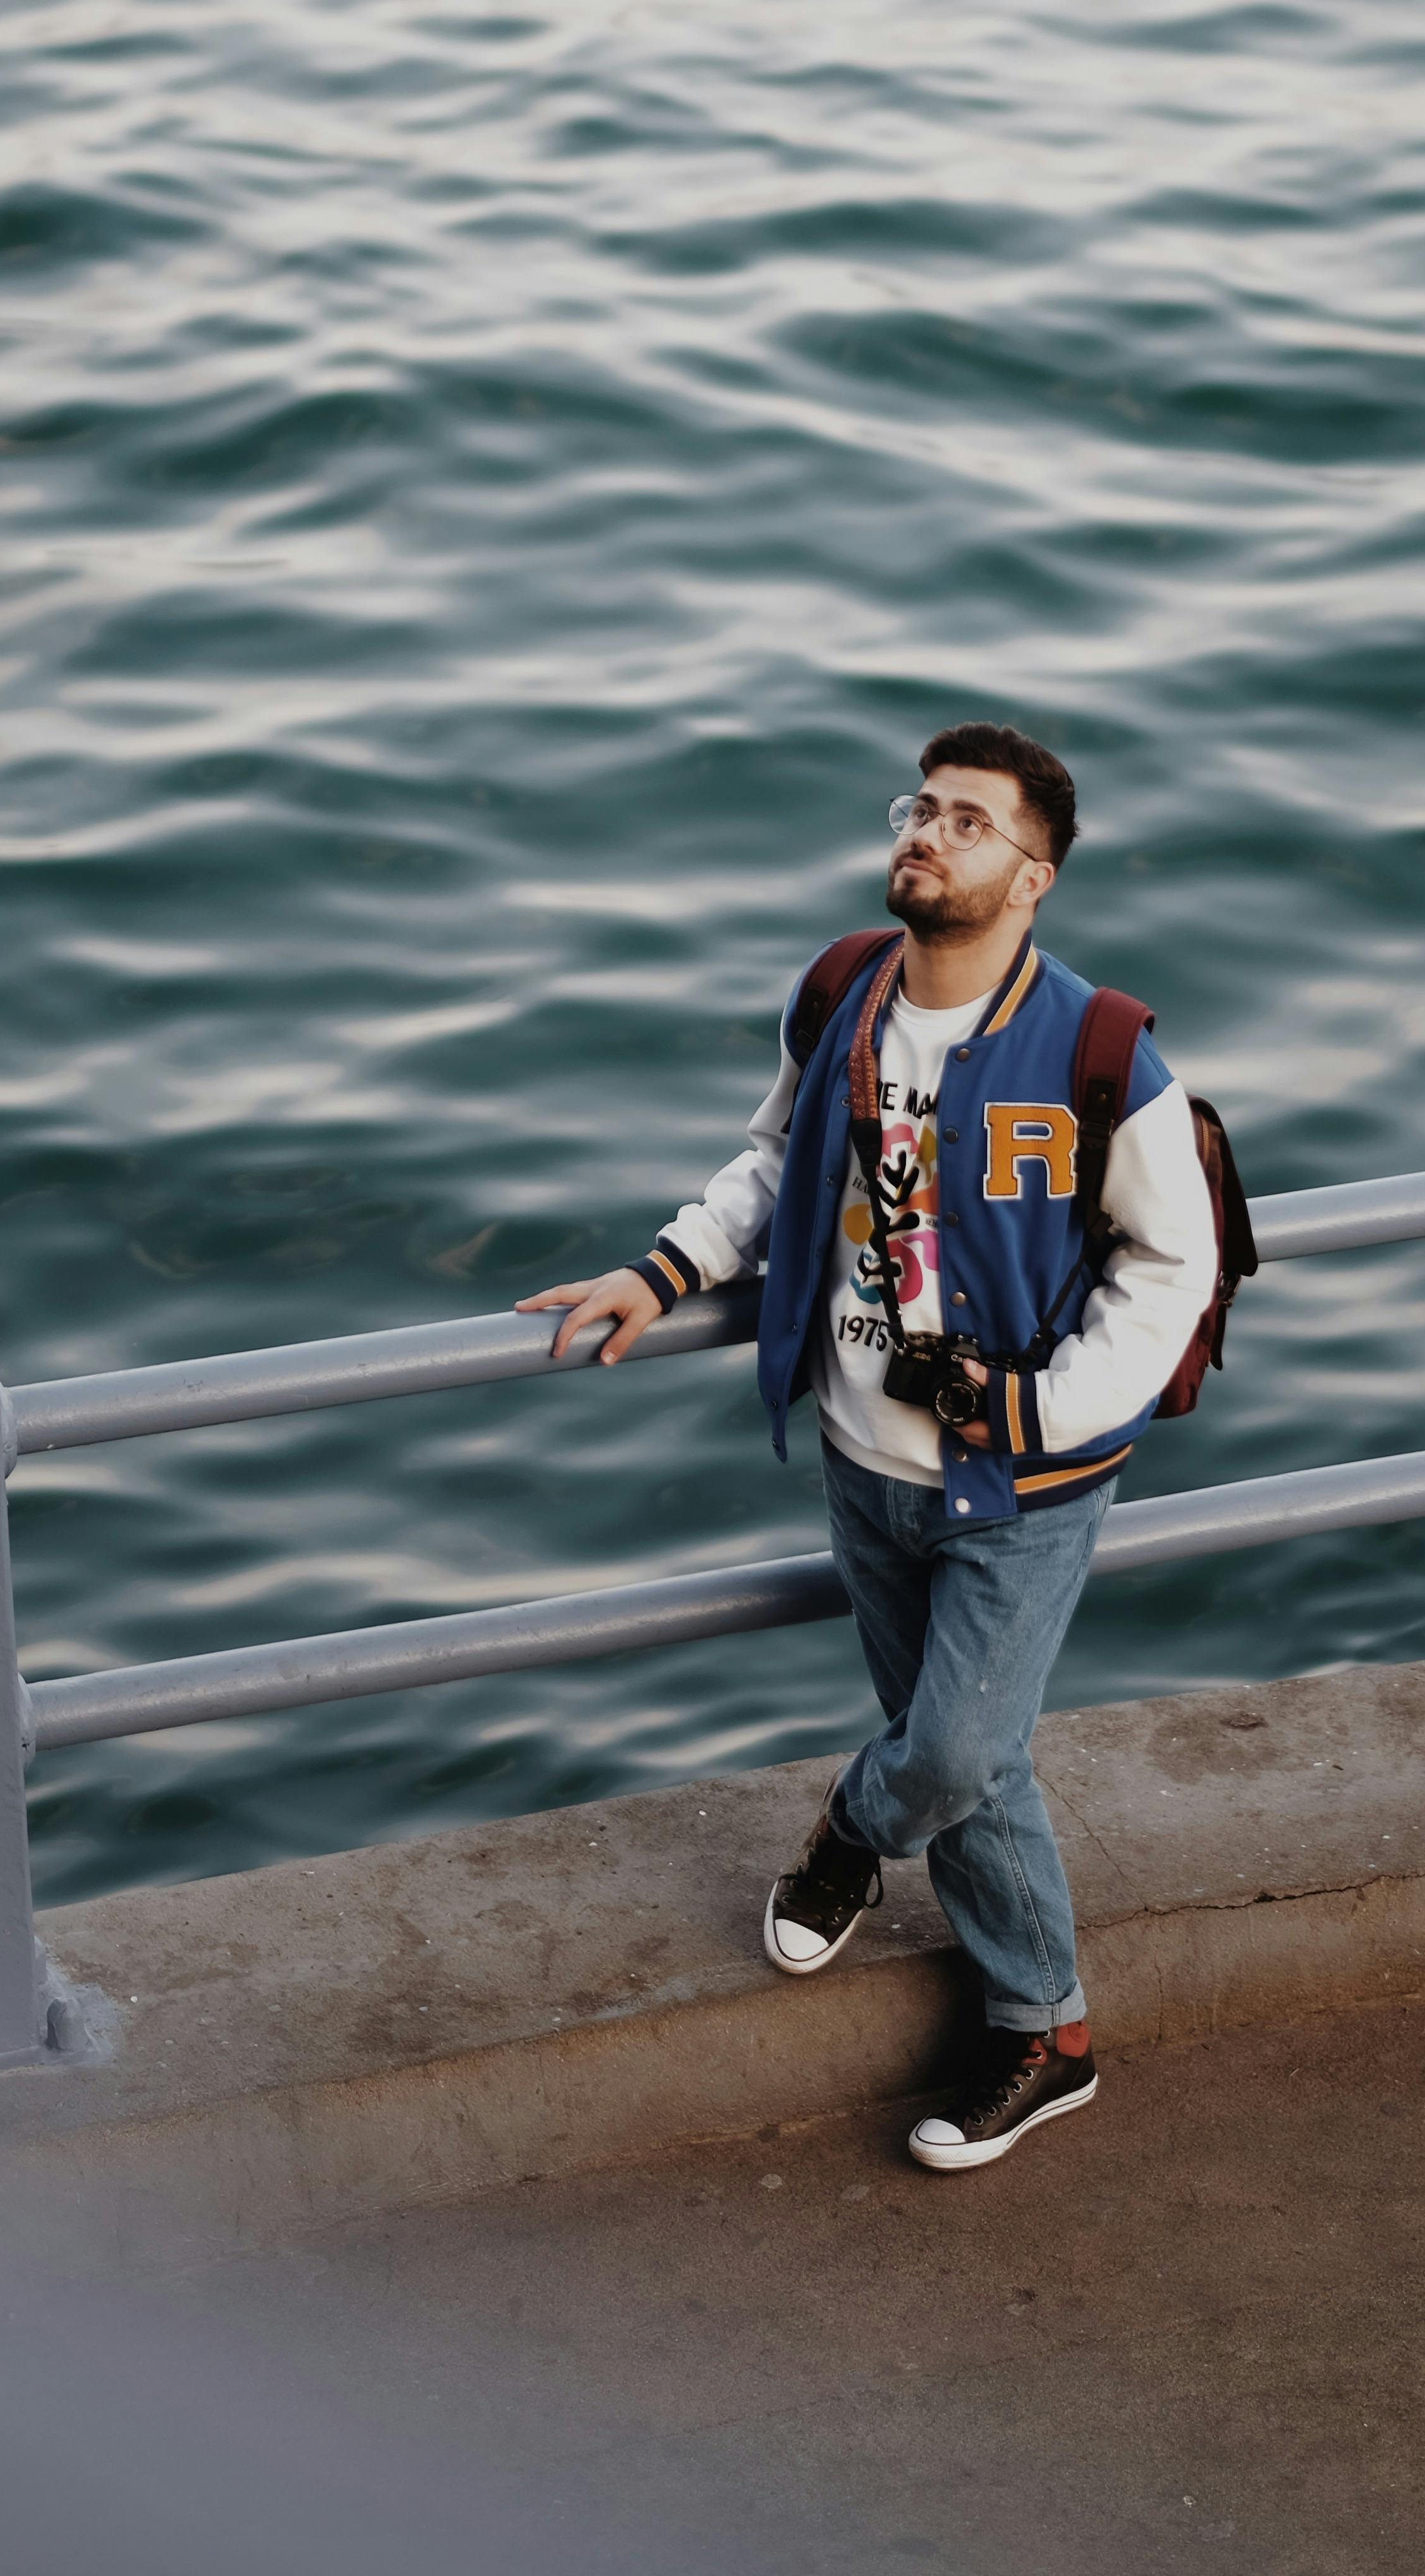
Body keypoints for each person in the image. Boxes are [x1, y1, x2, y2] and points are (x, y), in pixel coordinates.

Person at [520, 721, 1218, 2174]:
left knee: (949, 1751)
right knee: (976, 1768)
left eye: (968, 822)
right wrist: (663, 1270)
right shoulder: (843, 991)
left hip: (1021, 1484)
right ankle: (1047, 2036)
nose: (926, 833)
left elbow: (1170, 1271)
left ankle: (851, 1825)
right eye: (921, 807)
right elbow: (775, 1164)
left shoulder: (1102, 1053)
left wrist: (1034, 1410)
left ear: (1031, 877)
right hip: (860, 1457)